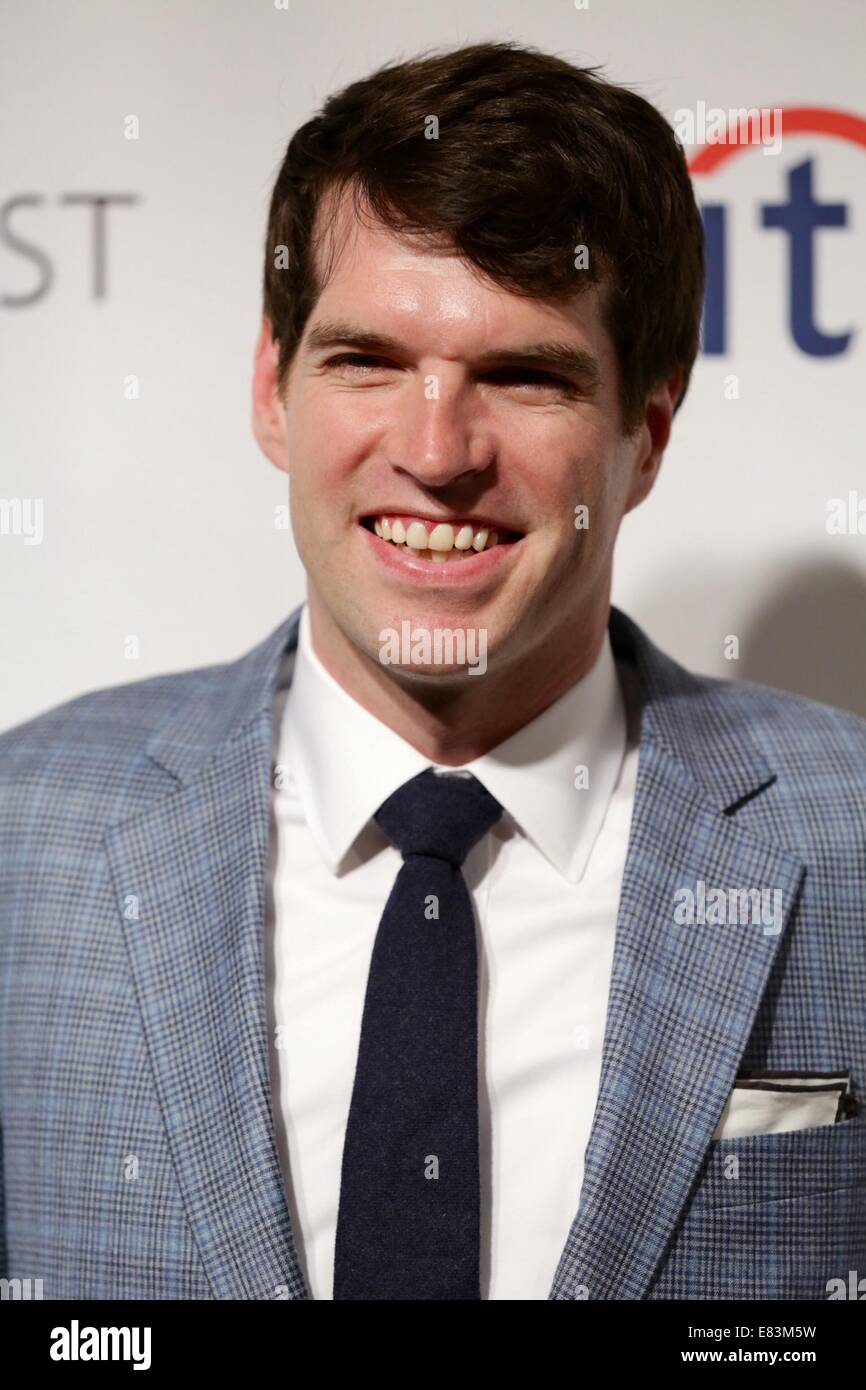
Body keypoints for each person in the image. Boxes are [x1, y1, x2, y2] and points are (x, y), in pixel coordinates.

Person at [1, 41, 864, 1302]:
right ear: (272, 389)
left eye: (523, 376)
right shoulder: (25, 834)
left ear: (644, 438)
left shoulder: (847, 835)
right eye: (365, 361)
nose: (435, 449)